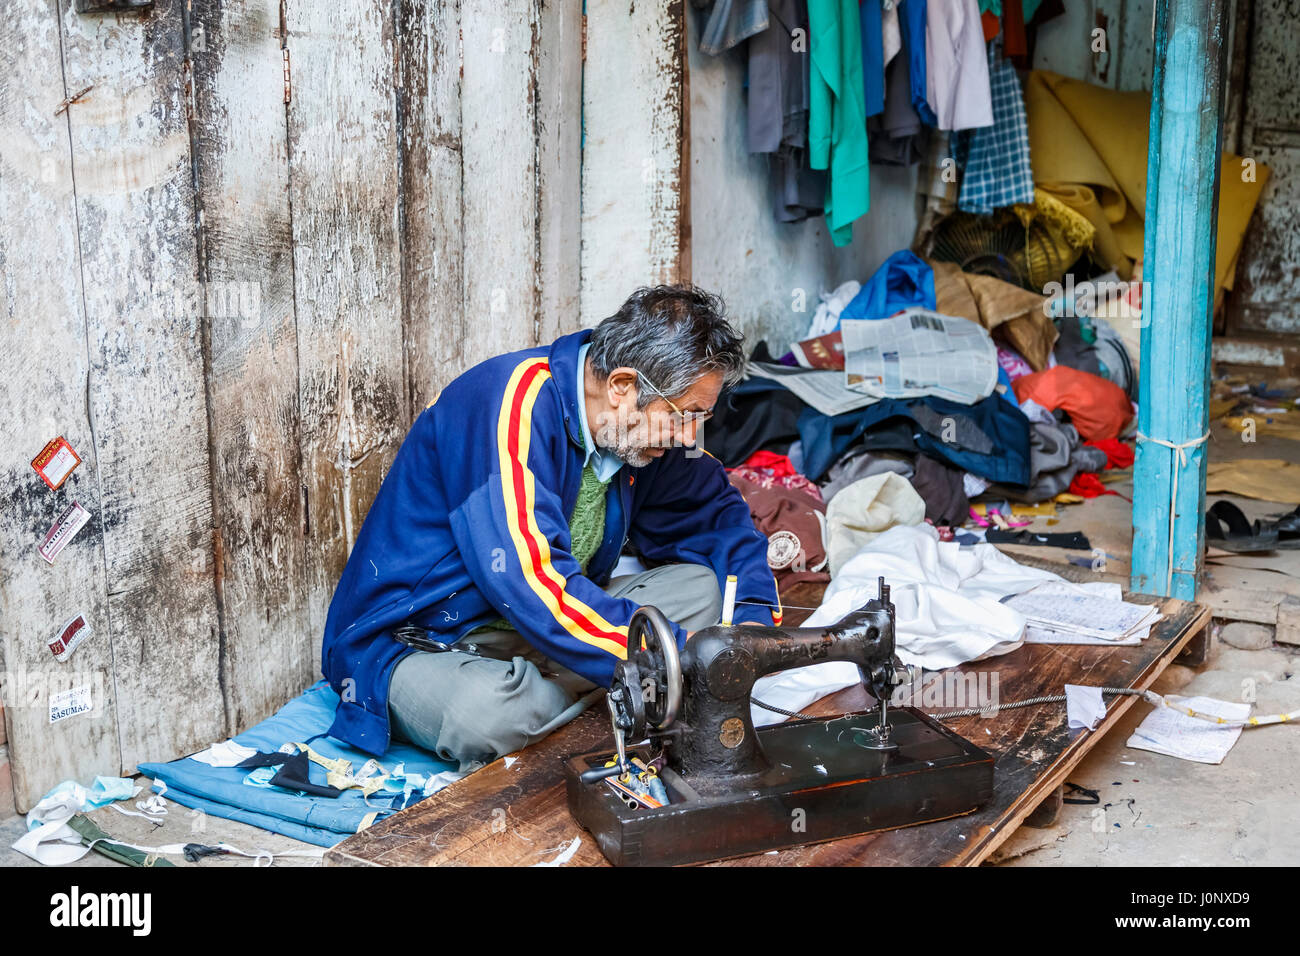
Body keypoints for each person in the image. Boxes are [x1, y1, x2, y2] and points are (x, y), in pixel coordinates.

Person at [321, 285, 782, 765]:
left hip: (541, 626)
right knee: (491, 714)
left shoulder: (639, 427)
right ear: (623, 387)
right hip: (428, 643)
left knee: (703, 590)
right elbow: (529, 580)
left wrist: (749, 630)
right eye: (684, 415)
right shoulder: (510, 403)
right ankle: (598, 680)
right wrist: (691, 665)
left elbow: (717, 516)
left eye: (701, 417)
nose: (691, 436)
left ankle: (584, 673)